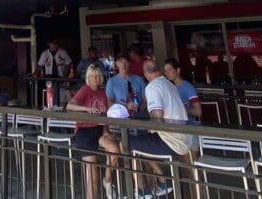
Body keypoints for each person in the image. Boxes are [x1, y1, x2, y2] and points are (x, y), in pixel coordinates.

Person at [129, 59, 195, 198]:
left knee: (128, 143)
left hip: (170, 141)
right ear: (159, 70)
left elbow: (157, 116)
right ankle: (160, 182)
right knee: (143, 140)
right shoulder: (169, 84)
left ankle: (143, 190)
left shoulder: (152, 87)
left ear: (145, 74)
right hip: (183, 139)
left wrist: (148, 124)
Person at [66, 65, 120, 199]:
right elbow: (69, 106)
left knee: (115, 150)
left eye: (97, 76)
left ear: (100, 78)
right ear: (88, 78)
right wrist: (86, 109)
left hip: (99, 129)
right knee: (92, 173)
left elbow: (105, 115)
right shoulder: (85, 90)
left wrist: (106, 129)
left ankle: (107, 180)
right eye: (92, 76)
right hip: (84, 132)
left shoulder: (102, 92)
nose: (95, 78)